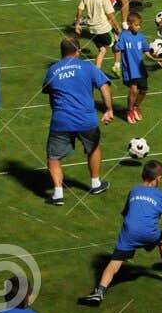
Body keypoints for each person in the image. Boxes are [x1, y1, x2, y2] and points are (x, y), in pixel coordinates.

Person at [80, 160, 162, 306]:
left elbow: (126, 213)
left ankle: (99, 292)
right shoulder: (160, 195)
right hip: (149, 231)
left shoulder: (134, 191)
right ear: (159, 178)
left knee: (114, 263)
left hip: (128, 232)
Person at [42, 38, 114, 205]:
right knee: (94, 147)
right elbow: (104, 86)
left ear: (62, 52)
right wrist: (109, 110)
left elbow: (50, 92)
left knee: (54, 156)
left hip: (61, 120)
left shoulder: (53, 70)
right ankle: (96, 184)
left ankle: (58, 194)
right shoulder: (87, 66)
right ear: (78, 51)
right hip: (86, 119)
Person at [114, 11, 157, 124]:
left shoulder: (141, 37)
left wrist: (155, 59)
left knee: (143, 90)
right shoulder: (124, 36)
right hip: (130, 69)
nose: (139, 27)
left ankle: (136, 107)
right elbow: (116, 49)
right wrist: (115, 41)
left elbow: (146, 51)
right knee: (133, 90)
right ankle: (129, 111)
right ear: (129, 24)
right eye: (136, 25)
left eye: (140, 25)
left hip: (140, 68)